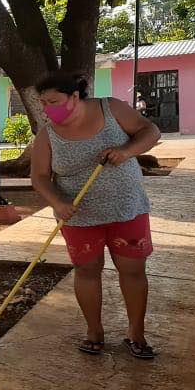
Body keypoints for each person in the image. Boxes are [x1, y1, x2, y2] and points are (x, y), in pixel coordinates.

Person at [30, 75, 161, 359]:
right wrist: (58, 202)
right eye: (43, 103)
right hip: (78, 217)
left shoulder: (111, 109)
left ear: (75, 96)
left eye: (53, 102)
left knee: (133, 271)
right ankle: (94, 332)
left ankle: (136, 334)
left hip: (127, 209)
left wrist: (126, 151)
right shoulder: (48, 134)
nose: (47, 109)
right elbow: (39, 177)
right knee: (87, 271)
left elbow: (150, 131)